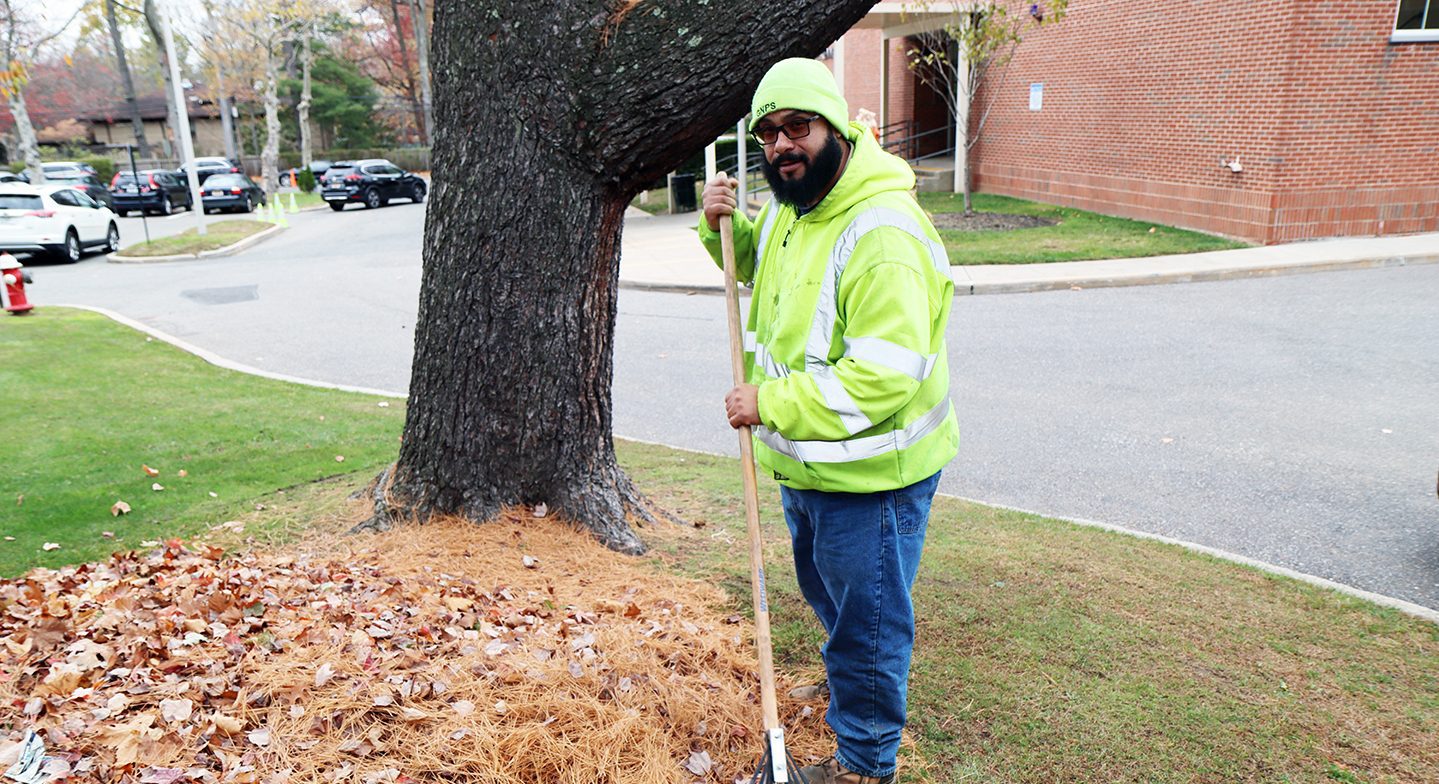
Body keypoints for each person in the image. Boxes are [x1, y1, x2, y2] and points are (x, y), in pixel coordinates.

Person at [696, 58, 959, 784]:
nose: (782, 145)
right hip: (811, 464)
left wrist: (768, 405)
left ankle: (864, 764)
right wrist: (724, 229)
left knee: (868, 628)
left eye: (798, 127)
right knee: (835, 606)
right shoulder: (796, 206)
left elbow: (881, 378)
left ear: (837, 128)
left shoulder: (882, 235)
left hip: (871, 476)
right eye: (769, 132)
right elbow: (771, 281)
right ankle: (847, 685)